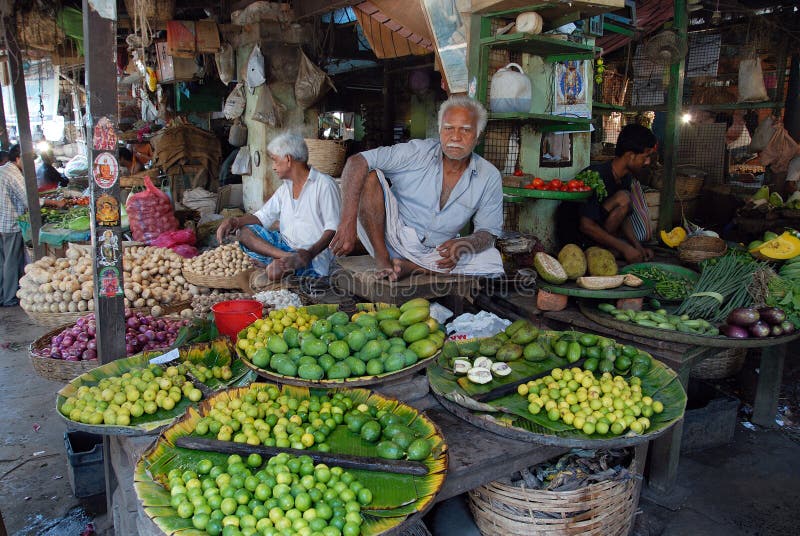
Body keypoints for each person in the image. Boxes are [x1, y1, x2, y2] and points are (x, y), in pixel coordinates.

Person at [330, 95, 504, 280]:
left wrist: (465, 243)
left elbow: (488, 231)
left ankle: (412, 267)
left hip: (436, 253)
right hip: (390, 238)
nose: (455, 137)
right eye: (448, 129)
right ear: (439, 131)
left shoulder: (489, 176)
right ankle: (383, 259)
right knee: (370, 177)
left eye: (465, 130)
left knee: (492, 259)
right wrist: (347, 222)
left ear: (478, 137)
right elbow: (357, 161)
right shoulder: (417, 153)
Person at [216, 133, 341, 280]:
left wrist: (308, 254)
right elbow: (261, 217)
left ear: (288, 159)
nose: (274, 167)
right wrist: (233, 221)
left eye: (275, 161)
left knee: (274, 272)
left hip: (314, 255)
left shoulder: (324, 185)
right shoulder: (285, 188)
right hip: (285, 246)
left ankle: (284, 264)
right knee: (243, 232)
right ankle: (286, 258)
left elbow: (332, 229)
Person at [578, 124, 657, 264]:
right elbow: (586, 226)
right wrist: (624, 247)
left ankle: (607, 249)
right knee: (623, 198)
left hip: (598, 235)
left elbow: (624, 216)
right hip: (578, 240)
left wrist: (637, 247)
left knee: (624, 199)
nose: (648, 162)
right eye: (646, 156)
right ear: (630, 156)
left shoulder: (626, 178)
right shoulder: (595, 176)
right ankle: (600, 249)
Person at [0, 145, 28, 306]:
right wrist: (53, 202)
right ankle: (10, 298)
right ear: (18, 158)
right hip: (10, 224)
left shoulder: (3, 170)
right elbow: (28, 200)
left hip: (1, 222)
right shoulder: (14, 174)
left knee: (3, 260)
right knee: (11, 260)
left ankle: (3, 294)